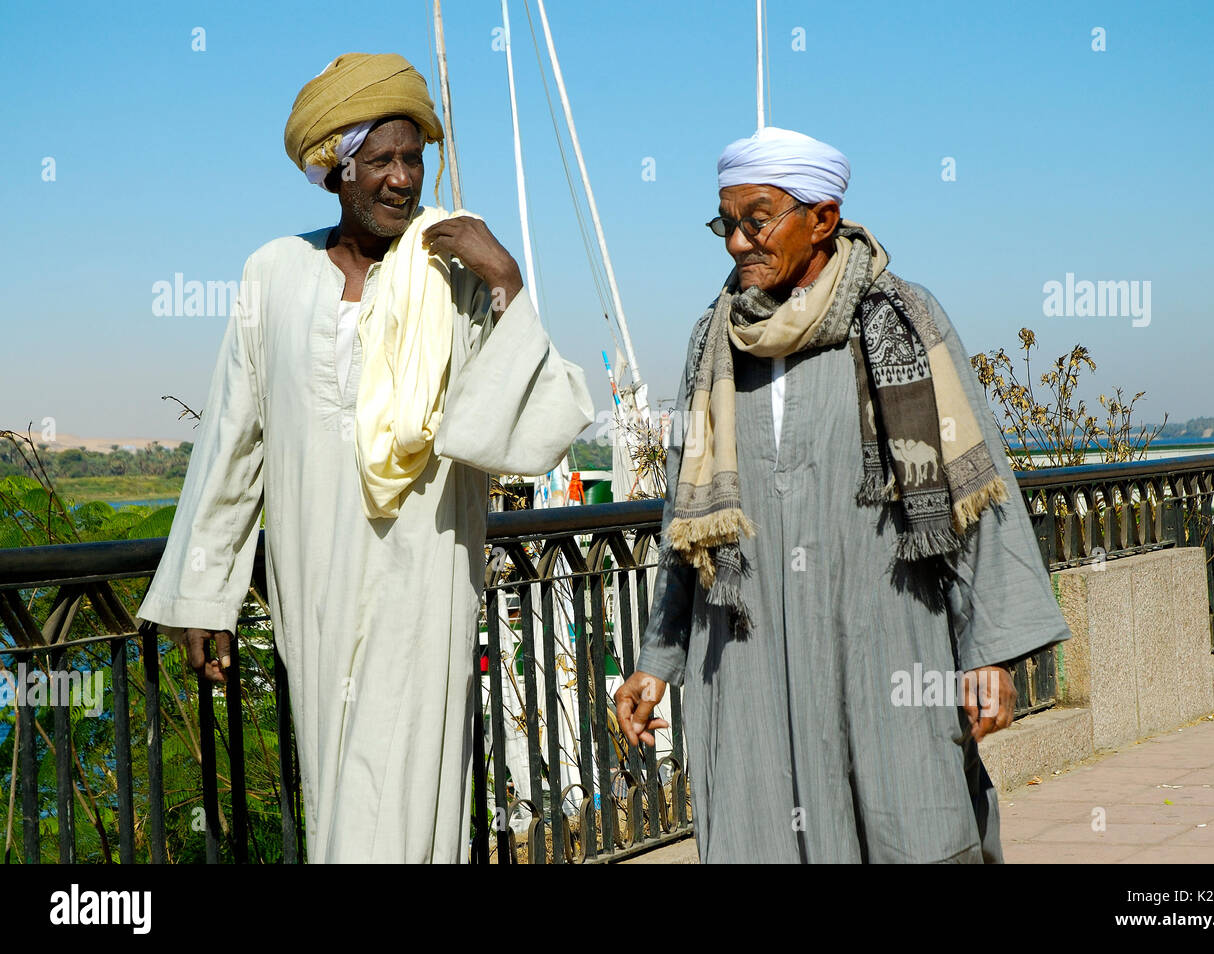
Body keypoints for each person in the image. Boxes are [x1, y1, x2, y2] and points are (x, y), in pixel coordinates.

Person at [136, 53, 594, 862]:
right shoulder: (274, 274)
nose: (401, 180)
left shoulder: (453, 270)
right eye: (380, 160)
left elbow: (529, 427)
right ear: (334, 171)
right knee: (342, 784)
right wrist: (202, 594)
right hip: (317, 587)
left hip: (427, 577)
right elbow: (234, 443)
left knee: (410, 787)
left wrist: (508, 281)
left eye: (413, 159)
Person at [613, 126, 1071, 863]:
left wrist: (991, 655)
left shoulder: (899, 321)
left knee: (909, 821)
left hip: (888, 643)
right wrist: (655, 662)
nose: (736, 242)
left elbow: (975, 497)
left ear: (822, 218)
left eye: (755, 219)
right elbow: (686, 519)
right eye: (724, 223)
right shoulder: (713, 345)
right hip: (749, 657)